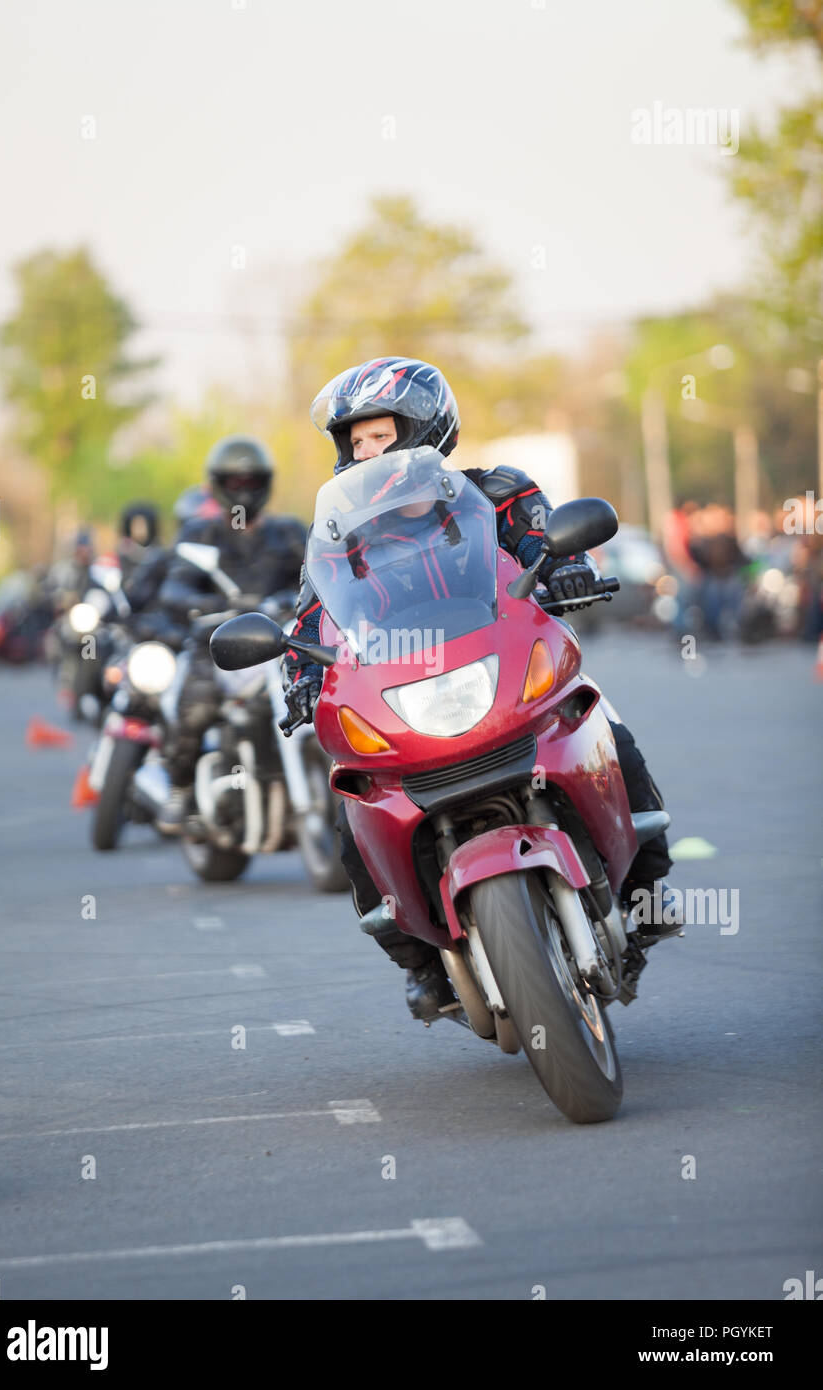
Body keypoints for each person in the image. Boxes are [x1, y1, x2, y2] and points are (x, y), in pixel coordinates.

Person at [283, 357, 681, 1022]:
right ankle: (421, 964)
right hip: (401, 693)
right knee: (353, 804)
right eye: (357, 442)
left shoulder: (497, 492)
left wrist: (572, 568)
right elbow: (308, 614)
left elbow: (547, 540)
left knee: (608, 728)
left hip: (506, 663)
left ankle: (644, 891)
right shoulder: (339, 534)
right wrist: (298, 675)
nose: (368, 452)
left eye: (381, 436)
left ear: (425, 427)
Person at [157, 436, 307, 831]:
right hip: (218, 646)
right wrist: (213, 607)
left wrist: (294, 597)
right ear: (217, 484)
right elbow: (175, 589)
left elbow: (320, 572)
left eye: (251, 481)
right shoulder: (199, 534)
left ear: (266, 483)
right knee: (197, 703)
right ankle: (180, 790)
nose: (243, 490)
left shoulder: (289, 531)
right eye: (234, 482)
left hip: (278, 642)